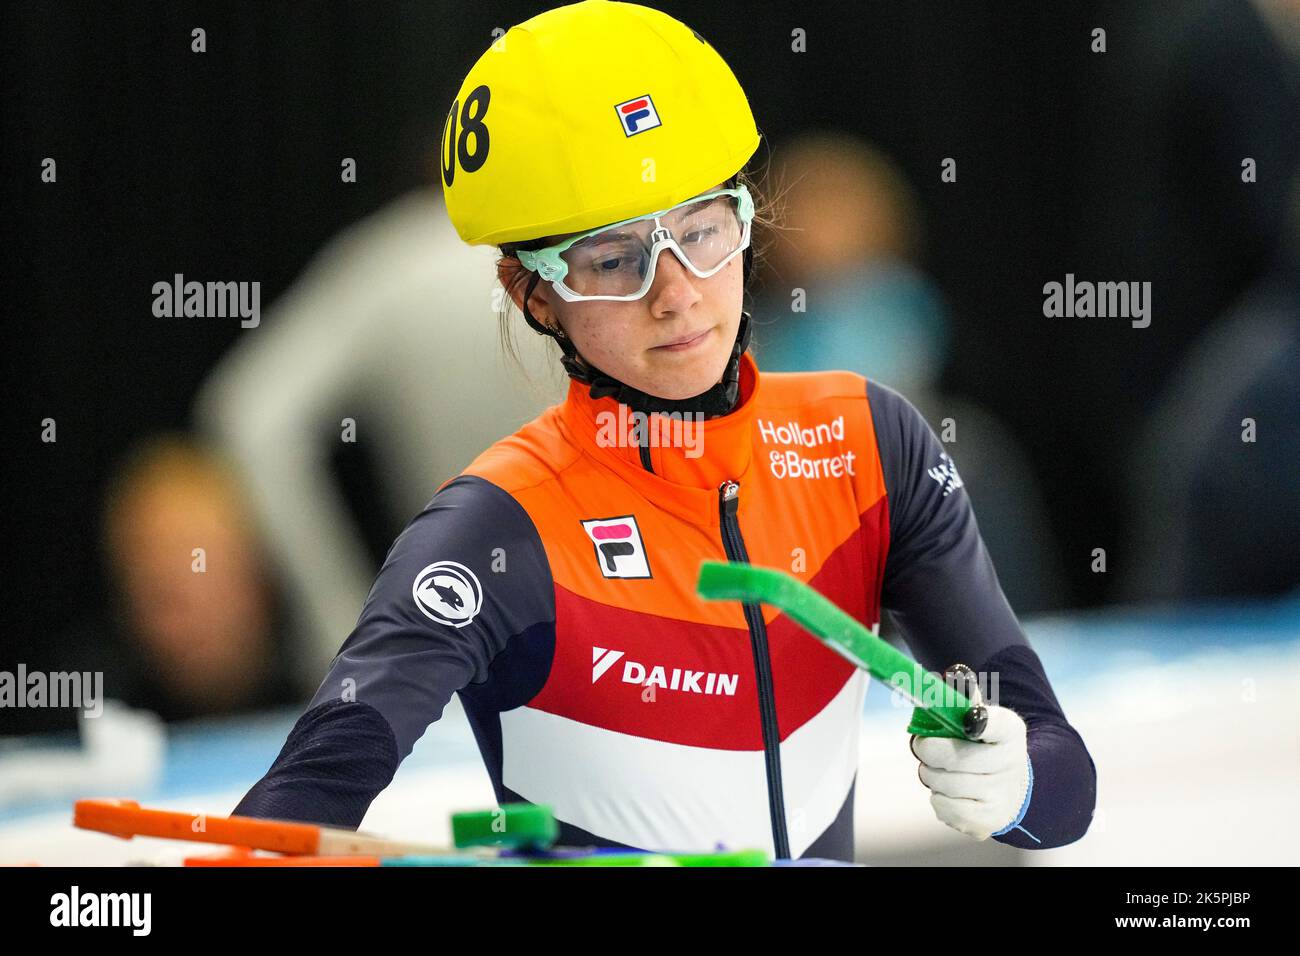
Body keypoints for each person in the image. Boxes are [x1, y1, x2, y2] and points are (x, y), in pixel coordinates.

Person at [234, 0, 1095, 861]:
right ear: (533, 294)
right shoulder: (496, 528)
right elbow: (291, 812)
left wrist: (1015, 780)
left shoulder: (874, 443)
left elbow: (1064, 795)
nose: (677, 291)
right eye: (615, 258)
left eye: (702, 231)